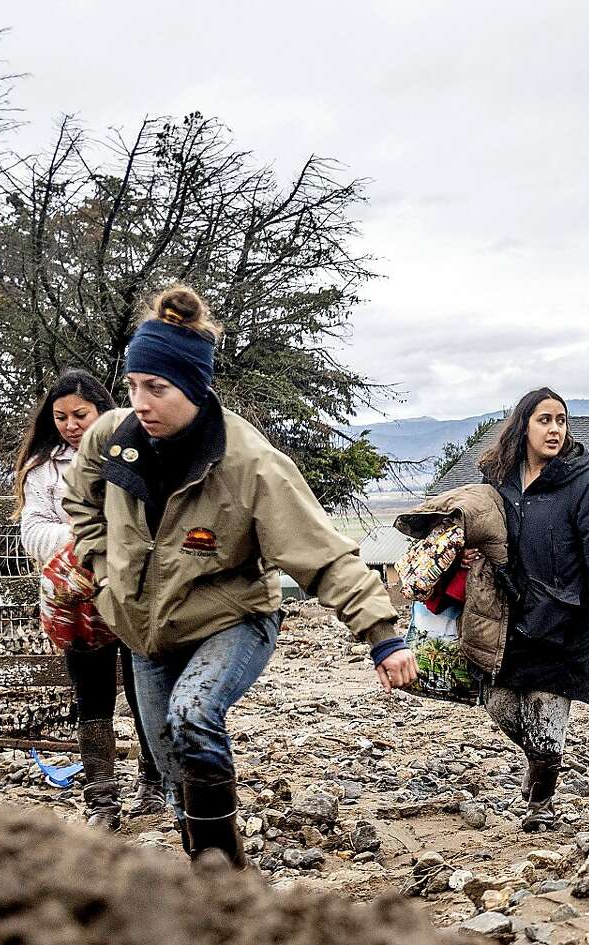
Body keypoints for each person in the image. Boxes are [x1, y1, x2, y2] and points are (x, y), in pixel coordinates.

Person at [63, 283, 416, 867]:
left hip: (233, 619)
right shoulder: (112, 438)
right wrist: (101, 563)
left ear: (195, 389)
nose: (140, 401)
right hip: (145, 631)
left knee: (193, 716)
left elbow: (321, 554)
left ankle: (226, 875)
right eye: (131, 386)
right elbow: (79, 498)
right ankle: (207, 879)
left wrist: (382, 637)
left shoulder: (249, 464)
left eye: (156, 388)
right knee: (174, 761)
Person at [13, 368, 166, 827]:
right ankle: (101, 797)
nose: (70, 425)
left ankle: (154, 783)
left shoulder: (138, 453)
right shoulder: (44, 470)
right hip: (76, 595)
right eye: (61, 417)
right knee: (91, 693)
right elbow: (33, 528)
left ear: (102, 411)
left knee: (146, 689)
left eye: (80, 414)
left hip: (137, 592)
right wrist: (91, 539)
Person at [474, 387, 589, 830]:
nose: (555, 429)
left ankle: (540, 806)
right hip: (510, 616)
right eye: (545, 420)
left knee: (545, 722)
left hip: (564, 621)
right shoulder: (499, 479)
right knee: (499, 705)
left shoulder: (581, 483)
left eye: (561, 420)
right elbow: (482, 530)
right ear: (524, 425)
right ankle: (541, 763)